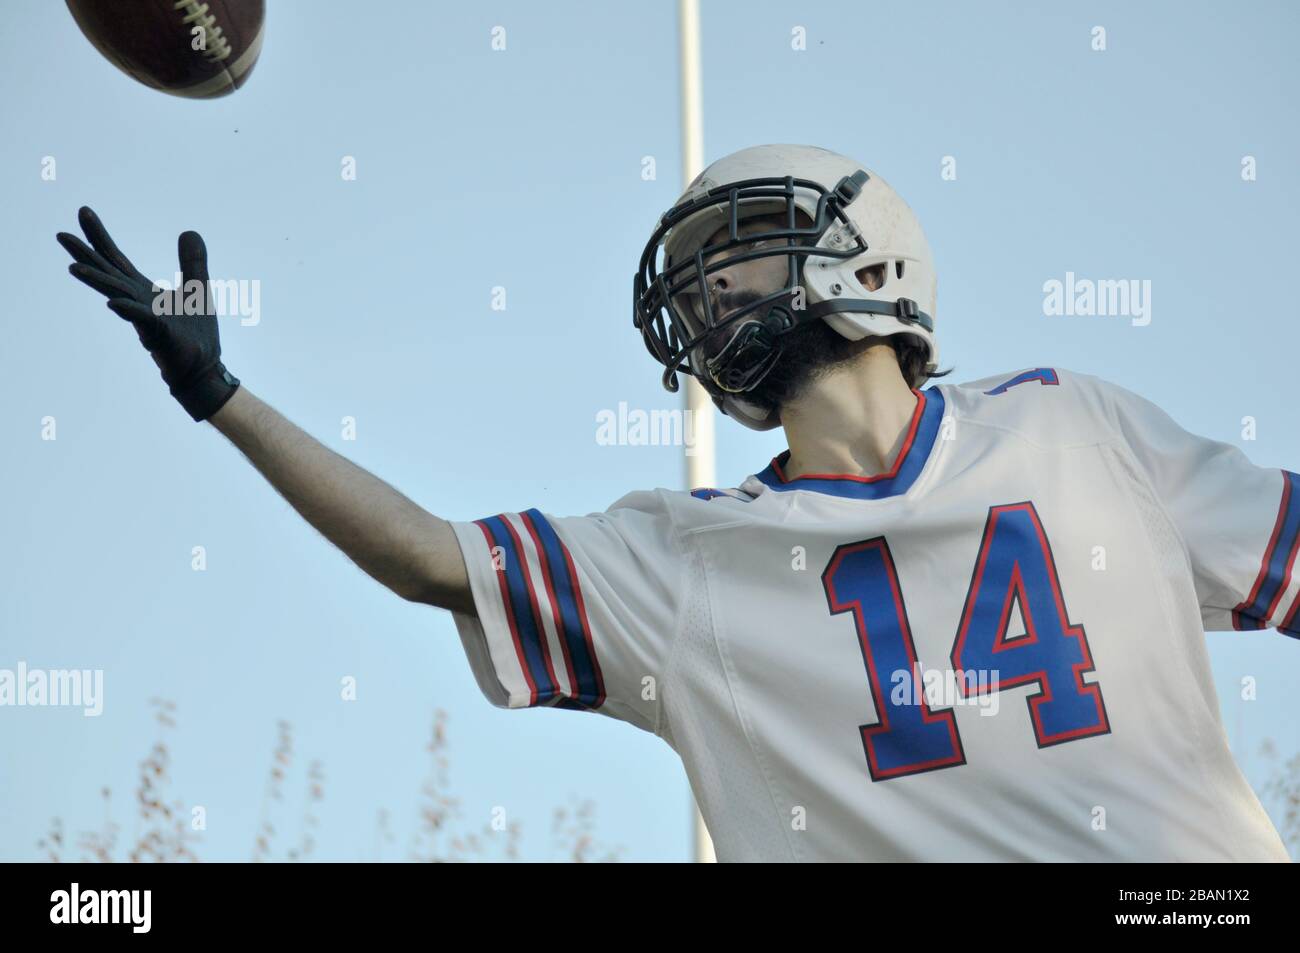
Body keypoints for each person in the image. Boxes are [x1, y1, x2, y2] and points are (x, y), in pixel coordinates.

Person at [58, 144, 1296, 862]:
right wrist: (224, 395)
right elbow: (433, 558)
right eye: (694, 278)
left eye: (742, 246)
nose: (707, 293)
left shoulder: (1071, 421)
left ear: (872, 261)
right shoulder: (688, 555)